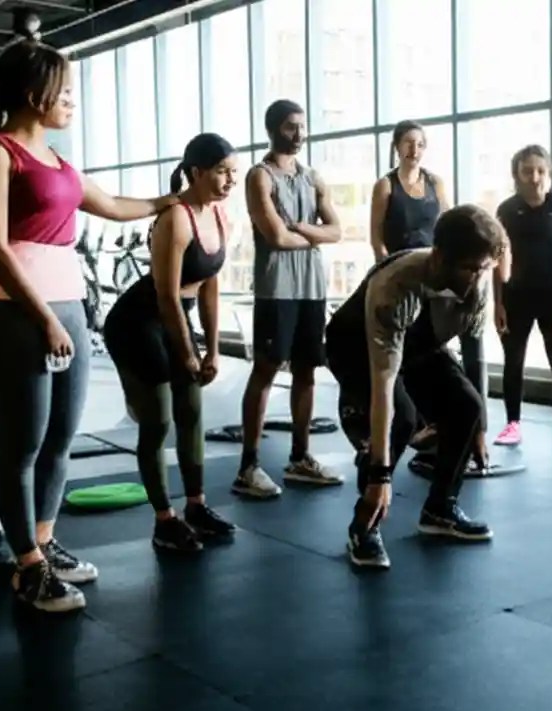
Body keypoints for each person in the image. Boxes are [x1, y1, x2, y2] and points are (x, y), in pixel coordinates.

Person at [0, 39, 179, 612]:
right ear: (34, 93)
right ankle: (26, 568)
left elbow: (114, 205)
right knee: (22, 445)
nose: (72, 102)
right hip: (11, 310)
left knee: (61, 440)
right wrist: (43, 319)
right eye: (65, 91)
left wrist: (174, 199)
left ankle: (42, 540)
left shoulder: (60, 163)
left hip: (69, 308)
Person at [325, 204, 505, 569]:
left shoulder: (478, 279)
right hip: (355, 347)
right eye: (469, 268)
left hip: (420, 342)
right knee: (400, 420)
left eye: (483, 268)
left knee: (468, 406)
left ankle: (439, 511)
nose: (477, 278)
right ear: (440, 257)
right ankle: (364, 524)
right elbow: (383, 381)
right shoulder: (396, 285)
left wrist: (478, 430)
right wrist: (381, 475)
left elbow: (474, 353)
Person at [102, 133, 241, 552]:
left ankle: (196, 506)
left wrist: (211, 350)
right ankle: (165, 520)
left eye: (234, 172)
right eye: (222, 172)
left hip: (178, 317)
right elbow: (165, 295)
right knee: (159, 420)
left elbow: (210, 287)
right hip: (139, 323)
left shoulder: (220, 216)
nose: (231, 180)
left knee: (192, 412)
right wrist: (186, 354)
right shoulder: (176, 219)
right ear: (196, 173)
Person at [235, 99, 345, 498]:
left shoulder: (313, 178)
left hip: (312, 289)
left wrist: (300, 225)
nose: (298, 134)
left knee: (307, 371)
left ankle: (301, 457)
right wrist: (311, 232)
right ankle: (248, 466)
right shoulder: (258, 177)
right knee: (265, 370)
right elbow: (275, 238)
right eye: (289, 127)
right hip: (276, 289)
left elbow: (336, 232)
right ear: (272, 129)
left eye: (302, 126)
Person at [369, 121, 488, 447]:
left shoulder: (435, 182)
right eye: (408, 143)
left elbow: (449, 225)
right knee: (411, 350)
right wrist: (387, 275)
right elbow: (377, 239)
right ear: (397, 146)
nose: (414, 149)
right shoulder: (385, 186)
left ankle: (471, 426)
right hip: (404, 277)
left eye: (420, 144)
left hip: (436, 272)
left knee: (449, 346)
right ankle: (421, 423)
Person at [491, 145, 552, 449]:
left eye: (540, 170)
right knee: (513, 361)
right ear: (517, 174)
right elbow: (498, 259)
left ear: (549, 173)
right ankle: (512, 423)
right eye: (528, 170)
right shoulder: (506, 209)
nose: (535, 176)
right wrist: (498, 303)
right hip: (517, 296)